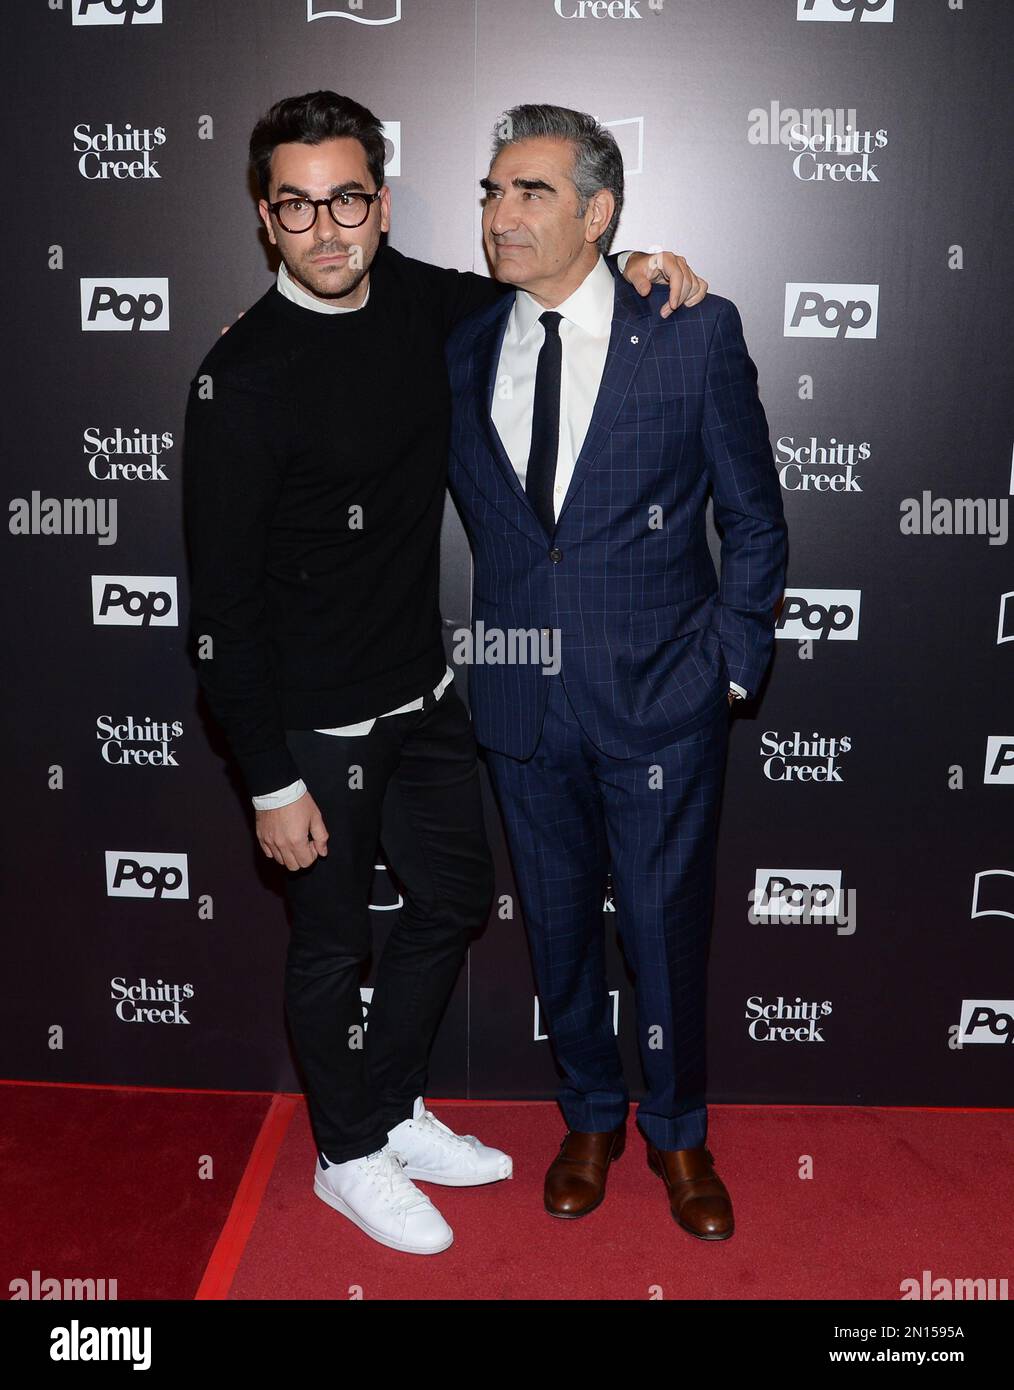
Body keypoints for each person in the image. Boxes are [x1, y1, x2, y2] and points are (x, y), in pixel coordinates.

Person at [183, 90, 709, 1256]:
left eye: (348, 200)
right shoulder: (240, 382)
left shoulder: (428, 301)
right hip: (313, 730)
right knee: (331, 947)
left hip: (426, 702)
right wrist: (268, 782)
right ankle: (345, 1153)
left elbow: (556, 295)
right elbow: (217, 612)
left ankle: (387, 1106)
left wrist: (644, 271)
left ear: (381, 200)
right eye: (296, 207)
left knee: (456, 902)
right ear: (266, 220)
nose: (327, 230)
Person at [446, 104, 788, 1240]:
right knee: (554, 928)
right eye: (493, 192)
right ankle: (588, 1114)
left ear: (597, 213)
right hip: (519, 702)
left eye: (532, 192)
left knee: (662, 928)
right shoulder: (458, 341)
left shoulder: (687, 329)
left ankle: (678, 1135)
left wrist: (730, 667)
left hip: (661, 703)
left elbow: (754, 518)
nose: (502, 214)